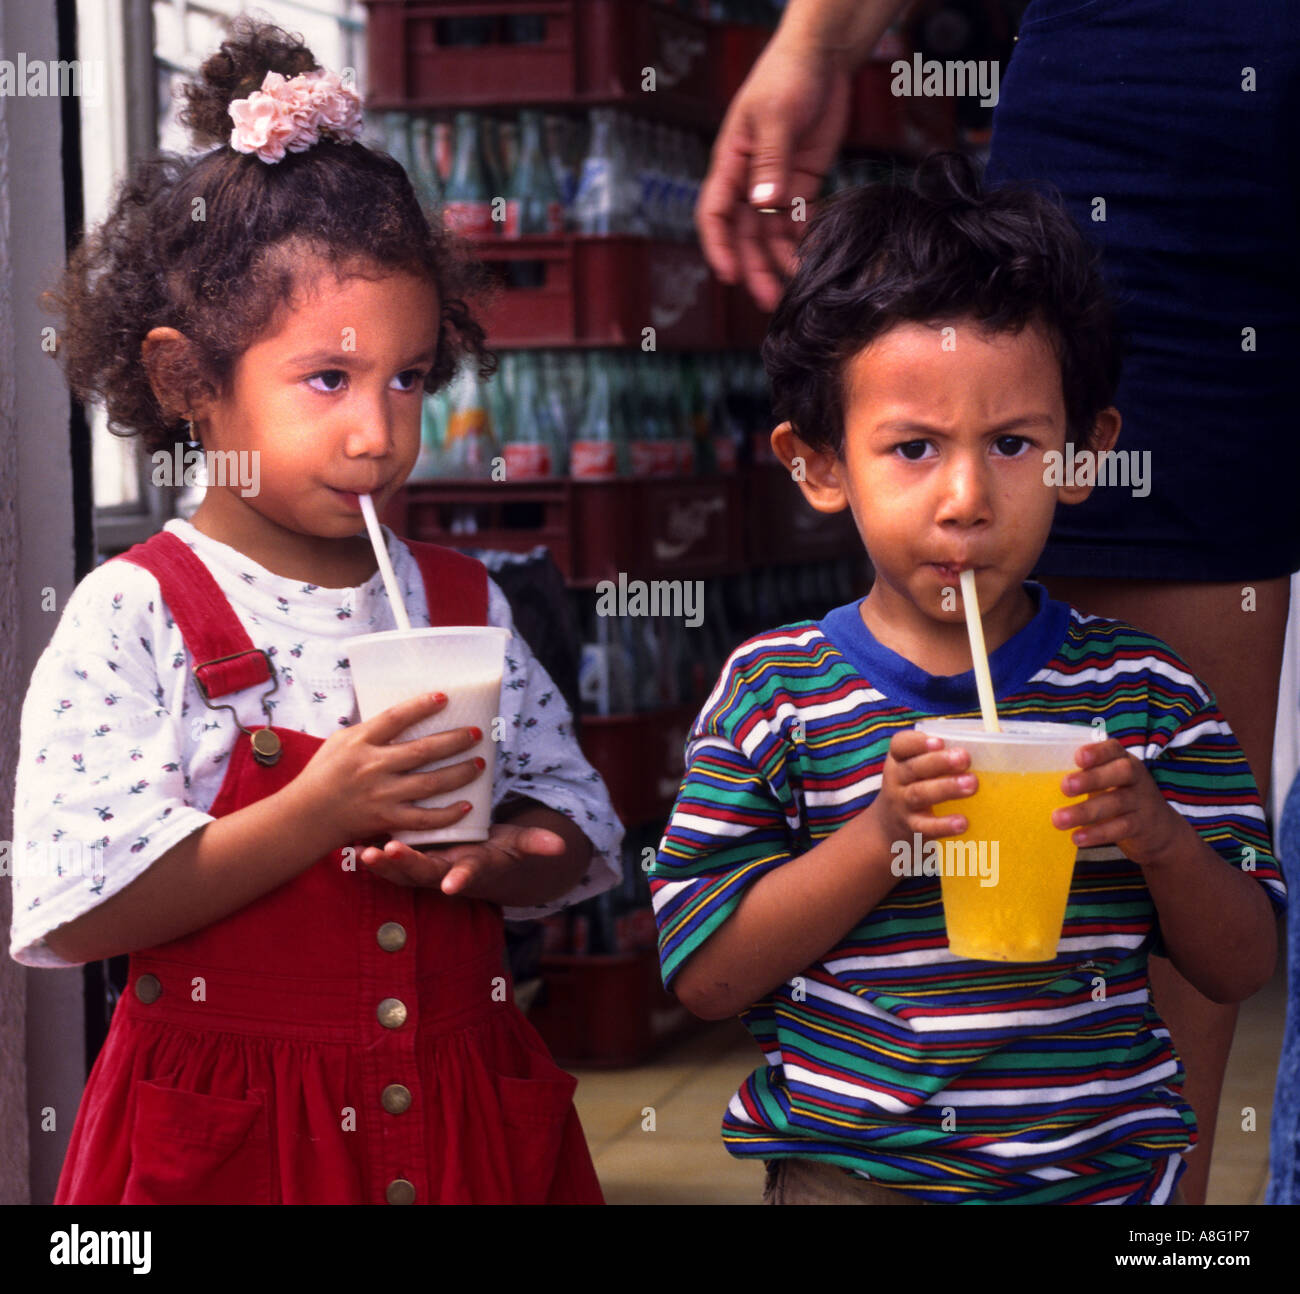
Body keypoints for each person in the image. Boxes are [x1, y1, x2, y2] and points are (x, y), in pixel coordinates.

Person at [9, 17, 623, 1206]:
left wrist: (502, 857)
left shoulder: (463, 600)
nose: (377, 430)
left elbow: (582, 833)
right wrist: (318, 809)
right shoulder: (134, 616)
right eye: (328, 379)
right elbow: (79, 907)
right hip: (233, 1147)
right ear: (190, 380)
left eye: (407, 378)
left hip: (462, 1125)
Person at [697, 0, 1300, 1205]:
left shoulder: (1143, 700)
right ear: (818, 464)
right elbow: (706, 974)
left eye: (1017, 444)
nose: (968, 497)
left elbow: (1239, 958)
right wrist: (879, 836)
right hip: (857, 1176)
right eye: (912, 448)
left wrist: (1159, 837)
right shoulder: (775, 696)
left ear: (1087, 453)